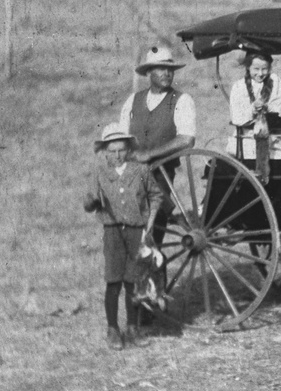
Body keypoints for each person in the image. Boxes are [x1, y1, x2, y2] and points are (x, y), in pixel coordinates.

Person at [118, 44, 197, 326]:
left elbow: (187, 139)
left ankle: (151, 308)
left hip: (161, 179)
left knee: (153, 241)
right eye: (161, 69)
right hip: (131, 179)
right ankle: (134, 312)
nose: (166, 74)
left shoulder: (181, 101)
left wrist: (150, 154)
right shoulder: (134, 101)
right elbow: (121, 139)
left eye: (170, 69)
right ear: (149, 73)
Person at [83, 123, 164, 350]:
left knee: (133, 281)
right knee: (113, 281)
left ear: (128, 150)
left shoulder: (140, 171)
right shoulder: (100, 174)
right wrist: (92, 202)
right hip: (112, 233)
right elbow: (88, 204)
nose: (117, 156)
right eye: (112, 151)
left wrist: (149, 222)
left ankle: (133, 328)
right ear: (104, 152)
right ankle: (112, 330)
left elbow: (156, 196)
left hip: (136, 231)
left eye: (121, 150)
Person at [228, 51, 281, 157]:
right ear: (248, 67)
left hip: (274, 136)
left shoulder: (275, 82)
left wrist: (267, 107)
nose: (260, 74)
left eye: (264, 69)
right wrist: (253, 110)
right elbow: (236, 117)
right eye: (256, 69)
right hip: (247, 137)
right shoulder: (239, 87)